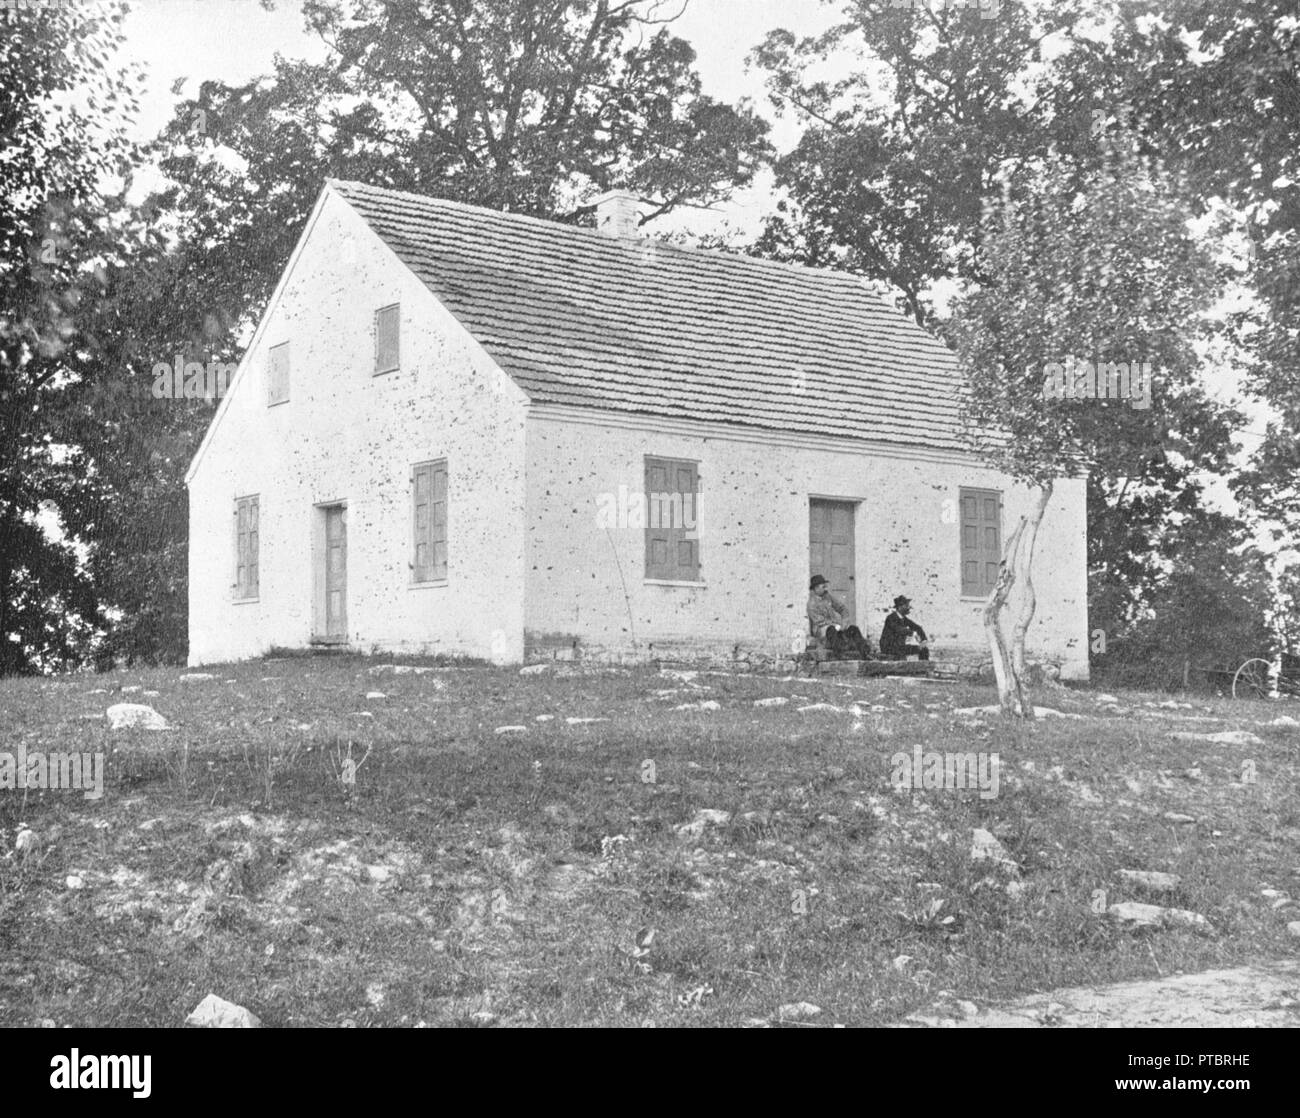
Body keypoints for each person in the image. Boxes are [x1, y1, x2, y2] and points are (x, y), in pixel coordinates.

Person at [807, 575, 873, 659]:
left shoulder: (828, 597)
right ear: (816, 588)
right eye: (823, 587)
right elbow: (820, 622)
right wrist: (836, 625)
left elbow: (842, 608)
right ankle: (839, 654)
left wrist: (845, 621)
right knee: (831, 629)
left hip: (835, 627)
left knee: (853, 629)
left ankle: (865, 654)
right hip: (822, 630)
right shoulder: (811, 604)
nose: (826, 588)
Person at [879, 595, 929, 660]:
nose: (909, 607)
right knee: (903, 652)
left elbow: (917, 627)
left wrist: (924, 640)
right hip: (888, 648)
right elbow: (899, 629)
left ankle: (924, 669)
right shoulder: (890, 618)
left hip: (900, 647)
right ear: (899, 607)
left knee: (923, 649)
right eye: (906, 605)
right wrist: (914, 634)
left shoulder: (903, 619)